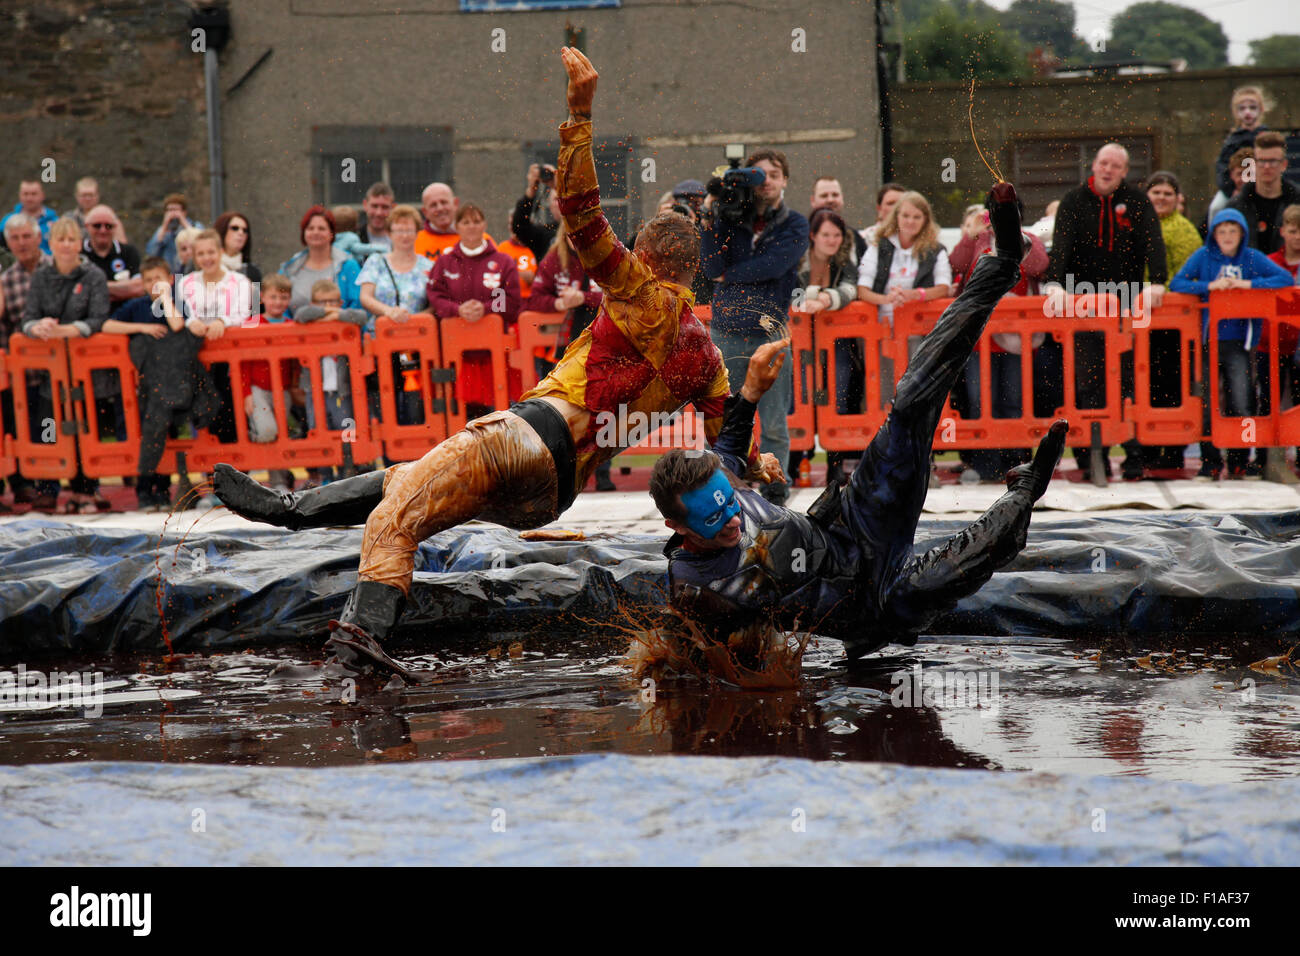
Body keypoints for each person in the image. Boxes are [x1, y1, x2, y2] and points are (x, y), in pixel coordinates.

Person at [212, 46, 775, 673]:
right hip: (553, 495)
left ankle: (361, 640)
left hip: (529, 439)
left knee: (400, 514)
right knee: (410, 481)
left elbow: (583, 214)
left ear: (645, 256)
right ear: (694, 269)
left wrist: (579, 115)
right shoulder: (709, 358)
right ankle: (287, 512)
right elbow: (735, 440)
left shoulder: (640, 292)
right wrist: (763, 463)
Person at [653, 184, 1067, 663]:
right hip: (876, 605)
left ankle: (1000, 264)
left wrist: (750, 392)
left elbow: (727, 440)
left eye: (725, 504)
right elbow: (700, 667)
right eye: (710, 519)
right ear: (675, 526)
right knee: (953, 570)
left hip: (854, 524)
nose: (729, 520)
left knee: (911, 406)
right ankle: (1026, 488)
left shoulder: (715, 476)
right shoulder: (692, 588)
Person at [1043, 142, 1167, 480]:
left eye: (1115, 165)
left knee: (1129, 380)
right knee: (1089, 381)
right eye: (1103, 163)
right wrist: (1054, 283)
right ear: (1093, 166)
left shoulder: (1138, 201)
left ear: (1125, 171)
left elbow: (1152, 242)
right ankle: (1090, 456)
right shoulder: (1072, 201)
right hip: (1083, 306)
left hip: (1126, 306)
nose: (1108, 169)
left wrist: (1157, 281)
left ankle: (1134, 454)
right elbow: (1062, 244)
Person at [702, 146, 809, 506]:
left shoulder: (795, 223)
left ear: (785, 181)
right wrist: (709, 213)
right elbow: (708, 264)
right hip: (727, 332)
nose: (766, 184)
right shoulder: (729, 219)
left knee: (774, 421)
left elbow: (776, 265)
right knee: (722, 418)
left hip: (771, 332)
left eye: (774, 176)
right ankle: (723, 488)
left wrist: (727, 277)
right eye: (759, 176)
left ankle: (776, 493)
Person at [1170, 208, 1293, 480]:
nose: (1227, 236)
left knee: (1241, 400)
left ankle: (1239, 461)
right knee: (1206, 402)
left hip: (1239, 343)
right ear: (1214, 234)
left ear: (1242, 234)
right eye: (1222, 231)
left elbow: (1284, 278)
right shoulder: (1203, 256)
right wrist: (1209, 286)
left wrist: (1247, 284)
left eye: (1232, 231)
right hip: (1207, 341)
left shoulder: (1251, 257)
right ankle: (1210, 462)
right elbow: (1177, 283)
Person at [948, 197, 1051, 482]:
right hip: (978, 338)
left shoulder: (1029, 239)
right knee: (980, 401)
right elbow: (957, 265)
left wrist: (1013, 239)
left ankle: (1017, 462)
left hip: (1016, 339)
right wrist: (975, 236)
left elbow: (1039, 265)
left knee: (1013, 400)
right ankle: (986, 464)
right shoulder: (979, 238)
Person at [20, 217, 111, 512]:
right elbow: (27, 318)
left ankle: (86, 489)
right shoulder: (42, 276)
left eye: (72, 239)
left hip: (85, 367)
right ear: (51, 243)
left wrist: (69, 331)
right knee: (49, 426)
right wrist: (38, 327)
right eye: (61, 240)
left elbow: (99, 318)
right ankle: (48, 488)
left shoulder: (93, 275)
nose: (66, 245)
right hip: (52, 370)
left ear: (79, 243)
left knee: (85, 425)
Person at [112, 256, 214, 510]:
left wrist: (166, 299)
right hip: (151, 384)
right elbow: (107, 324)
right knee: (153, 433)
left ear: (169, 279)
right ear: (142, 284)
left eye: (158, 278)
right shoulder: (136, 306)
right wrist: (142, 328)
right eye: (148, 280)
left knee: (177, 432)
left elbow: (178, 325)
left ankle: (175, 488)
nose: (153, 284)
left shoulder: (179, 303)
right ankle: (147, 490)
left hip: (179, 381)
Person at [526, 218, 613, 490]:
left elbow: (621, 294)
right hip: (567, 348)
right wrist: (558, 302)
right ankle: (564, 473)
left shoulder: (607, 256)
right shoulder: (555, 260)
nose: (576, 241)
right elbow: (534, 298)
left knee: (603, 409)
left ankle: (602, 472)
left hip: (605, 346)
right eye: (571, 236)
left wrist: (584, 297)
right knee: (565, 408)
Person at [427, 203, 521, 419]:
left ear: (484, 225)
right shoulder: (445, 262)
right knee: (464, 421)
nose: (471, 227)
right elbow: (435, 295)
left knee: (500, 417)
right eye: (465, 222)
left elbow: (513, 301)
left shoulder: (502, 261)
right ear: (457, 226)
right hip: (458, 357)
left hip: (496, 355)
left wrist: (486, 309)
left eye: (476, 221)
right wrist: (457, 309)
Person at [794, 207, 859, 485]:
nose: (832, 240)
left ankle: (835, 462)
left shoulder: (845, 262)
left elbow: (851, 289)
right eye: (826, 234)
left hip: (835, 344)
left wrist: (825, 299)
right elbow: (788, 294)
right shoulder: (796, 261)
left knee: (838, 396)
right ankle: (794, 461)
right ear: (813, 235)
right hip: (798, 343)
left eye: (837, 235)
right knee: (799, 399)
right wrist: (805, 299)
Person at [357, 203, 435, 424]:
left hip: (415, 346)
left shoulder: (428, 266)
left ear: (417, 233)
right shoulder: (376, 262)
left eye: (409, 229)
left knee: (415, 406)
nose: (404, 235)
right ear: (390, 233)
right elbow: (366, 296)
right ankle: (388, 457)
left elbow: (435, 304)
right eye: (399, 230)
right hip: (380, 343)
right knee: (384, 404)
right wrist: (388, 312)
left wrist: (415, 319)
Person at [0, 213, 52, 509]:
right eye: (15, 239)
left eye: (25, 237)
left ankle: (50, 486)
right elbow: (4, 326)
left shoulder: (58, 270)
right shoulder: (6, 281)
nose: (21, 243)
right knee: (21, 429)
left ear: (38, 237)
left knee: (54, 428)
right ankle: (23, 485)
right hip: (22, 374)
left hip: (58, 370)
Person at [856, 190, 952, 325]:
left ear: (925, 220)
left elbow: (943, 288)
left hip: (919, 325)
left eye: (917, 217)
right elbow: (862, 290)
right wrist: (886, 299)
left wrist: (914, 295)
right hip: (882, 325)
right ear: (896, 217)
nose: (910, 221)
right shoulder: (878, 247)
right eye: (905, 216)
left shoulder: (936, 250)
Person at [1229, 131, 1300, 256]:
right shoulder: (1237, 206)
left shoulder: (1297, 201)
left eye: (1272, 161)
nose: (1266, 166)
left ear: (1284, 165)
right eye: (1261, 161)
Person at [415, 183, 494, 261]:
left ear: (455, 203)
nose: (440, 208)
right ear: (425, 212)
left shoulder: (481, 239)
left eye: (444, 202)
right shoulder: (413, 242)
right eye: (433, 205)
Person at [1215, 86, 1269, 200]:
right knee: (1216, 207)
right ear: (1236, 111)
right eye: (1242, 108)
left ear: (1261, 109)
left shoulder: (1267, 136)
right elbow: (1222, 168)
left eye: (1252, 107)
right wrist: (1230, 190)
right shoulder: (1232, 140)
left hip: (1265, 186)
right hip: (1236, 188)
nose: (1247, 112)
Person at [809, 175, 866, 261]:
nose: (830, 200)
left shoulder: (855, 238)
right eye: (824, 196)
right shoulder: (801, 235)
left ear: (842, 198)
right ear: (813, 200)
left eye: (835, 195)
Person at [512, 163, 561, 261]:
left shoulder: (581, 230)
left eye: (562, 198)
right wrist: (531, 192)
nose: (560, 204)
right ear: (550, 206)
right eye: (556, 200)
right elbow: (520, 227)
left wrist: (559, 185)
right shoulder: (545, 234)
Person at [145, 193, 202, 273]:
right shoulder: (162, 231)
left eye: (176, 210)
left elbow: (201, 242)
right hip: (173, 274)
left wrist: (184, 222)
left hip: (194, 270)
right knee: (179, 284)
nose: (172, 213)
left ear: (184, 212)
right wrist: (164, 226)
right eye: (169, 210)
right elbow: (151, 253)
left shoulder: (195, 225)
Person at [1, 181, 59, 255]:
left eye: (34, 194)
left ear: (42, 195)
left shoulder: (55, 223)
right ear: (19, 195)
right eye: (25, 194)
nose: (29, 198)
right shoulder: (6, 222)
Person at [211, 211, 262, 283]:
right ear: (222, 229)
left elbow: (256, 294)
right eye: (235, 228)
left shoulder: (253, 272)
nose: (241, 233)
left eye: (245, 230)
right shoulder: (206, 266)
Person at [356, 182, 394, 253]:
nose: (379, 213)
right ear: (365, 205)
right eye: (374, 206)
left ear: (393, 207)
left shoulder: (403, 239)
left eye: (384, 207)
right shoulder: (355, 238)